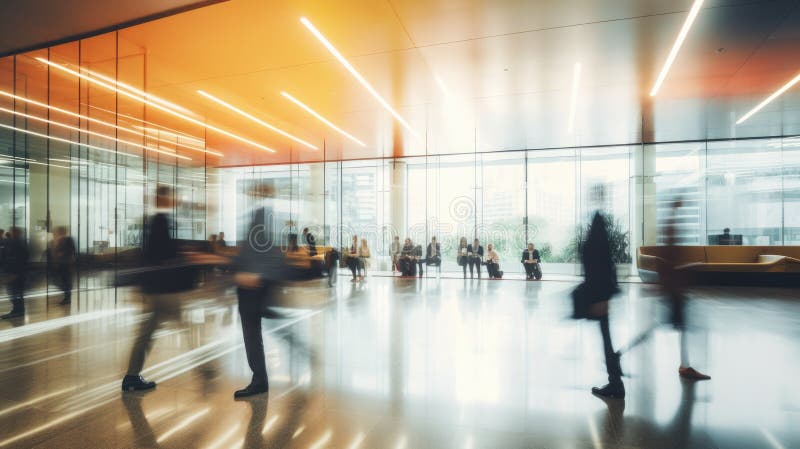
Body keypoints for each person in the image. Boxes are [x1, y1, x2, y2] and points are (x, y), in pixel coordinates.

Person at [122, 186, 186, 391]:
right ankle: (131, 377)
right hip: (161, 291)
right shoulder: (160, 222)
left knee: (147, 333)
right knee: (157, 331)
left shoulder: (157, 221)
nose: (174, 200)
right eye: (170, 197)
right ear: (163, 199)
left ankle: (132, 376)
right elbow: (160, 256)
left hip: (157, 289)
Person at [661, 199, 711, 381]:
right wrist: (691, 266)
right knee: (680, 326)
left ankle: (685, 365)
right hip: (675, 290)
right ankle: (685, 366)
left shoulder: (670, 229)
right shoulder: (670, 230)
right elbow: (672, 266)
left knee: (681, 326)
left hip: (675, 290)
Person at [580, 200, 624, 399]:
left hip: (599, 296)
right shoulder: (600, 235)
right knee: (606, 338)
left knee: (606, 340)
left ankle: (615, 382)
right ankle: (615, 378)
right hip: (600, 295)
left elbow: (599, 267)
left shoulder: (596, 237)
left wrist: (600, 299)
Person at [1, 227, 29, 319]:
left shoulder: (19, 244)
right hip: (14, 272)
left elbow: (20, 259)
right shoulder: (14, 243)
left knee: (16, 292)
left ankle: (19, 310)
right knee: (13, 292)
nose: (10, 233)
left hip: (16, 273)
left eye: (12, 231)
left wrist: (15, 273)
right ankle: (17, 310)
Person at [50, 226, 77, 305]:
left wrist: (62, 254)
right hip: (60, 263)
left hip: (65, 263)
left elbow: (71, 250)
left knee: (65, 280)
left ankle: (67, 297)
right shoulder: (57, 240)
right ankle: (66, 296)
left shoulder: (68, 240)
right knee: (61, 280)